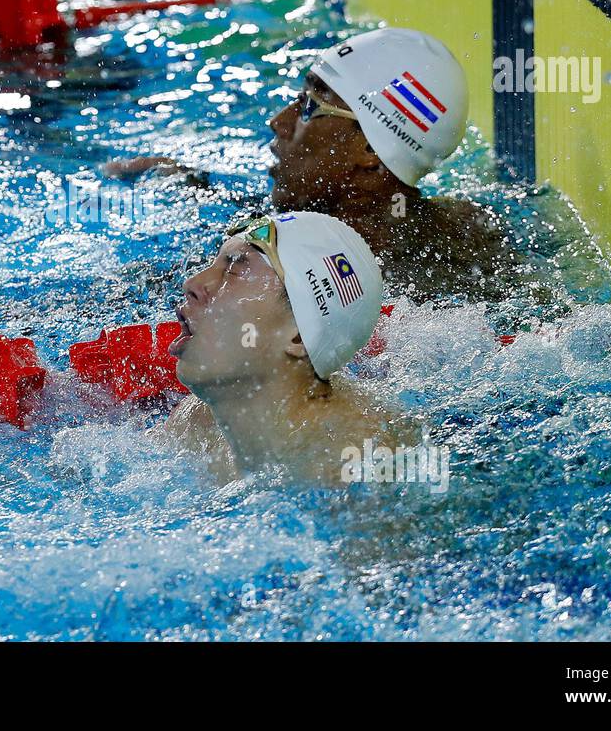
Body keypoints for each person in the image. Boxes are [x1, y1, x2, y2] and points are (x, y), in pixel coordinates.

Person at [105, 29, 519, 301]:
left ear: (371, 151)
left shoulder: (294, 279)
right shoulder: (471, 227)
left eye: (309, 107)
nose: (279, 122)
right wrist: (185, 179)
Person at [159, 211, 409, 484]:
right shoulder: (195, 424)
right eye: (212, 264)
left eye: (232, 271)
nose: (191, 284)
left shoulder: (354, 468)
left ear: (298, 337)